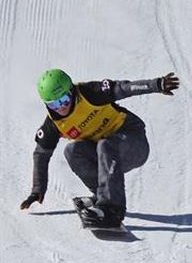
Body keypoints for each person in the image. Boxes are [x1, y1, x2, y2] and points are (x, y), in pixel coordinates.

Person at [19, 69, 180, 228]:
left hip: (133, 142)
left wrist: (156, 84)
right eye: (54, 104)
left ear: (71, 91)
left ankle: (112, 209)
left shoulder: (89, 93)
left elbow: (124, 88)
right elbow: (41, 154)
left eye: (64, 100)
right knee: (72, 151)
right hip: (106, 155)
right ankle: (100, 195)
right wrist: (37, 190)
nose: (61, 107)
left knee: (105, 144)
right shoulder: (53, 125)